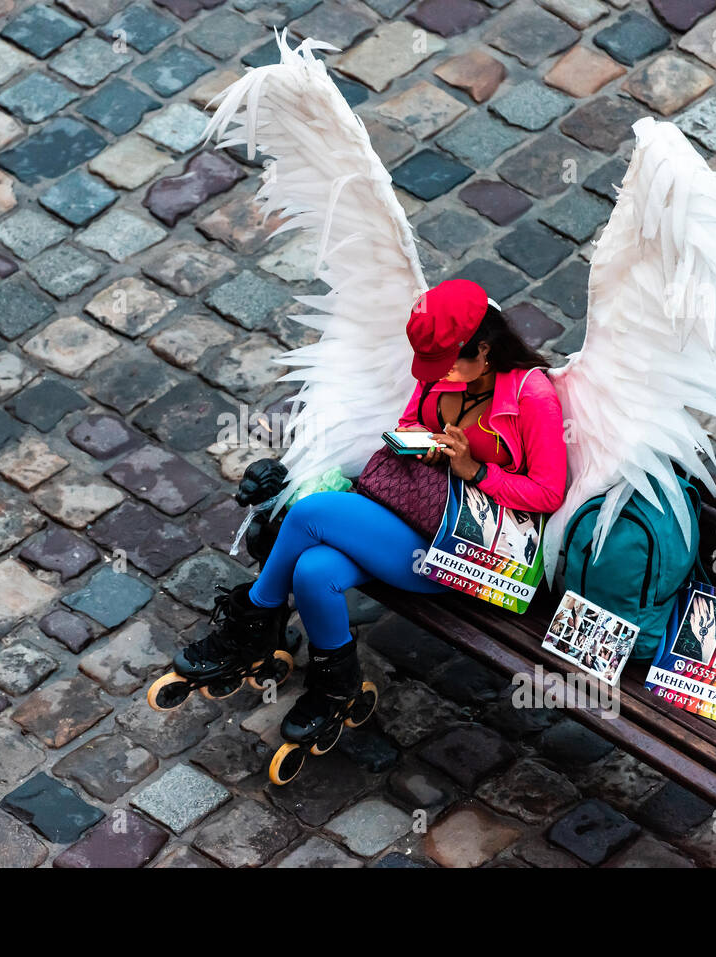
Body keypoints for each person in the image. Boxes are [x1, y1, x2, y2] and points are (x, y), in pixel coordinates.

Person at [166, 279, 568, 762]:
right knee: (316, 572)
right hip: (410, 515)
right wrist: (428, 446)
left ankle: (252, 627)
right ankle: (338, 690)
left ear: (484, 349)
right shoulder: (442, 373)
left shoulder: (532, 396)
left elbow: (548, 493)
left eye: (449, 365)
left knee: (312, 512)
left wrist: (476, 471)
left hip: (466, 554)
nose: (439, 377)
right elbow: (410, 422)